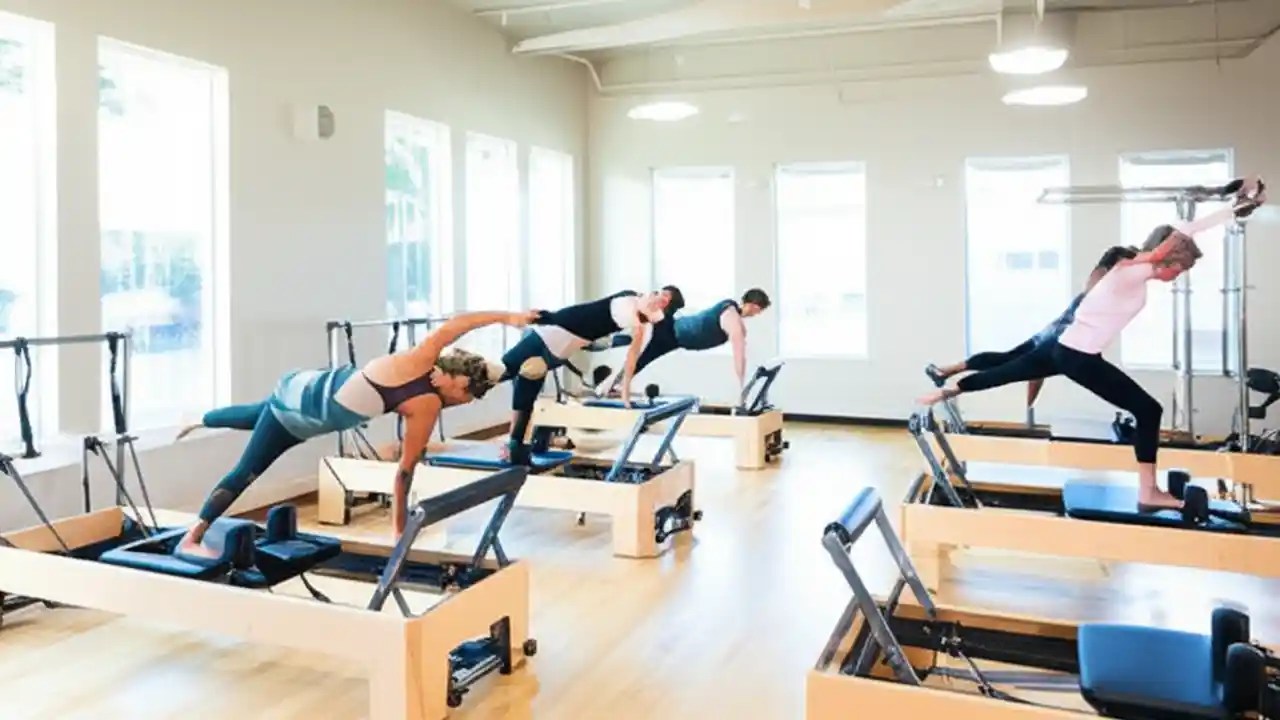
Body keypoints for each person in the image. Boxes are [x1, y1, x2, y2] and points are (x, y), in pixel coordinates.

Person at [919, 179, 1265, 511]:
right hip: (1078, 355)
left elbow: (1012, 371)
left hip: (1065, 349)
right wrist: (1231, 210)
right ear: (1168, 258)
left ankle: (946, 390)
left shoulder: (1130, 270)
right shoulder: (1133, 269)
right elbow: (1183, 233)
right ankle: (1149, 492)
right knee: (1148, 411)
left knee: (1010, 368)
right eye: (1181, 268)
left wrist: (950, 391)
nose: (1180, 275)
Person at [174, 310, 537, 556]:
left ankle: (199, 419)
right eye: (466, 393)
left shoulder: (425, 394)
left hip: (303, 403)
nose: (462, 401)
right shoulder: (420, 371)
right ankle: (193, 537)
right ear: (457, 378)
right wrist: (508, 317)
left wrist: (397, 531)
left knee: (259, 414)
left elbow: (406, 470)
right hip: (301, 406)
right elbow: (455, 326)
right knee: (247, 469)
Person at [925, 247, 1138, 410]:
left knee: (1007, 360)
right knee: (1010, 367)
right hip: (1056, 341)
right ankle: (950, 382)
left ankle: (948, 371)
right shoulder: (1100, 284)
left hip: (1050, 337)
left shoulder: (1104, 288)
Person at [498, 287, 683, 463]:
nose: (659, 297)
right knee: (519, 384)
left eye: (665, 300)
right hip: (553, 336)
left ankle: (514, 444)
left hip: (556, 342)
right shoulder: (632, 302)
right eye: (659, 293)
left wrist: (625, 393)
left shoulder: (642, 325)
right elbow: (582, 314)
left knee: (509, 375)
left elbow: (631, 359)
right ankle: (515, 444)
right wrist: (545, 317)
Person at [592, 288, 773, 396]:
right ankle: (604, 382)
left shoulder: (735, 318)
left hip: (673, 339)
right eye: (759, 310)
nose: (758, 314)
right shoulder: (732, 317)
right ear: (755, 306)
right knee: (636, 358)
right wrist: (741, 388)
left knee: (638, 358)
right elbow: (739, 354)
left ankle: (604, 357)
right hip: (668, 329)